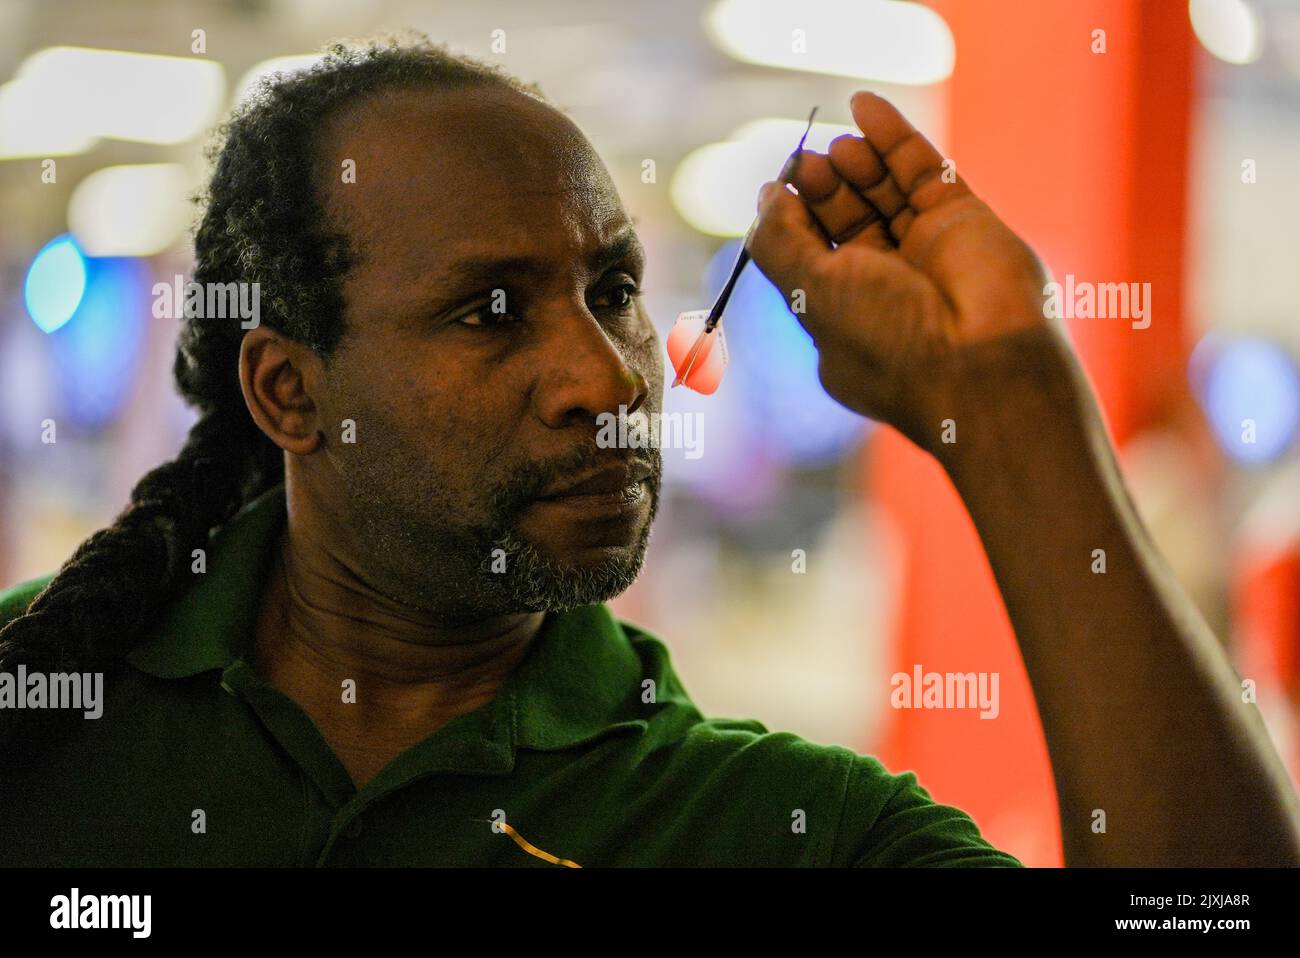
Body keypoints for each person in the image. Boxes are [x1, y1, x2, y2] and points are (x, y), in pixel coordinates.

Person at [1, 38, 1296, 868]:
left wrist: (1008, 397)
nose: (608, 375)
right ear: (289, 389)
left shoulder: (772, 830)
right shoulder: (43, 694)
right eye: (489, 310)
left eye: (612, 286)